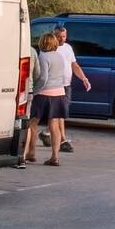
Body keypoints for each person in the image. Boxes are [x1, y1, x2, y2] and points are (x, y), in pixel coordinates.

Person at [24, 32, 70, 167]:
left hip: (44, 93)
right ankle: (55, 157)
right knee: (54, 125)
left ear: (43, 42)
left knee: (33, 123)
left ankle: (30, 152)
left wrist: (36, 91)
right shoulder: (60, 57)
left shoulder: (43, 56)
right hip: (59, 93)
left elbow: (43, 77)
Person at [41, 24, 89, 152]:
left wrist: (84, 79)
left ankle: (46, 133)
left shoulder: (68, 48)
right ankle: (62, 140)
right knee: (59, 113)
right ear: (54, 35)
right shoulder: (51, 49)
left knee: (61, 113)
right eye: (59, 36)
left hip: (66, 85)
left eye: (64, 36)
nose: (62, 39)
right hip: (56, 86)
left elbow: (74, 65)